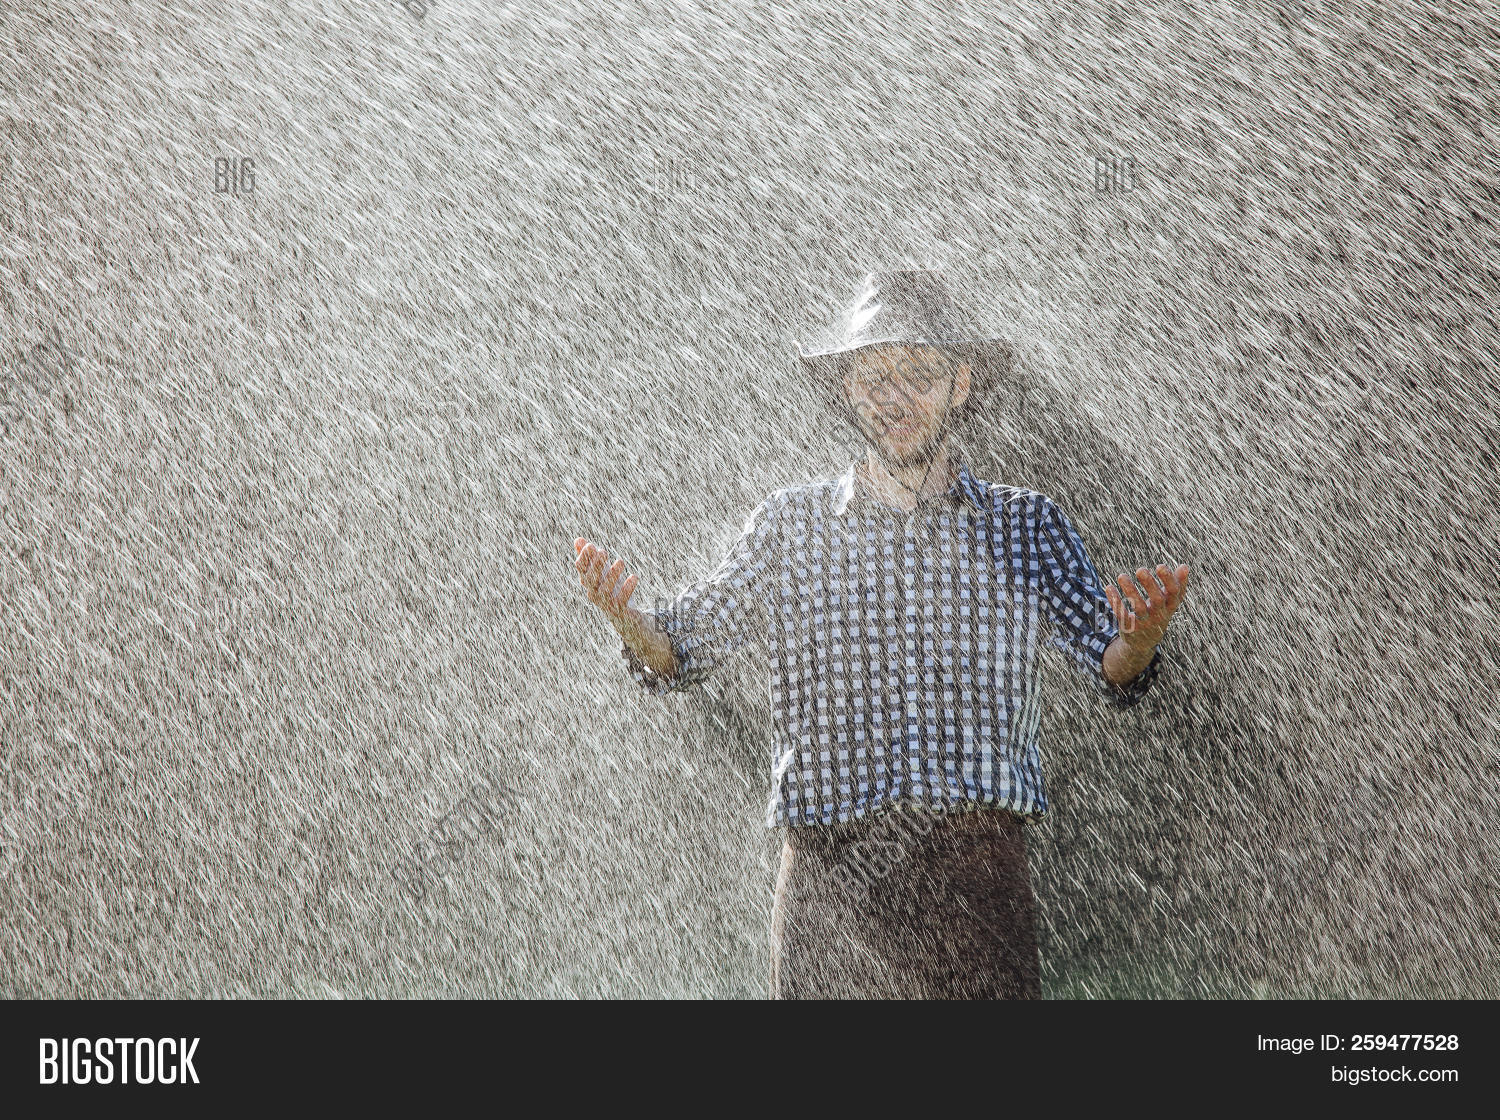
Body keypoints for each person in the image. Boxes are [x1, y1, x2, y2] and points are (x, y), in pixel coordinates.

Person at [572, 269, 1190, 998]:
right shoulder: (791, 526)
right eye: (875, 377)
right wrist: (631, 620)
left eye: (920, 374)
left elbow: (1111, 664)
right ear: (848, 391)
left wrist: (1141, 637)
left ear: (961, 385)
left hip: (978, 880)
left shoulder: (1027, 525)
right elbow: (680, 648)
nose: (895, 396)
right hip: (829, 883)